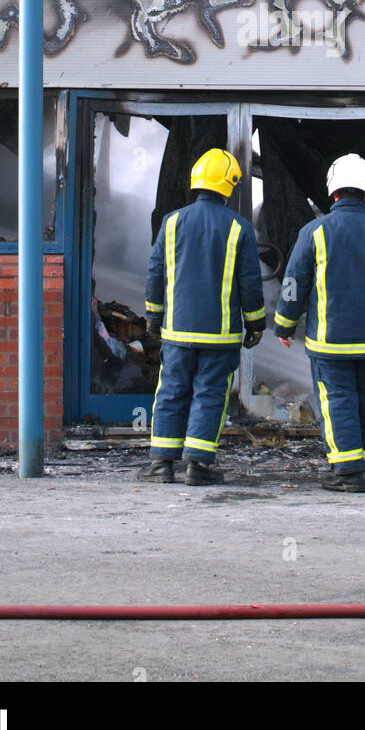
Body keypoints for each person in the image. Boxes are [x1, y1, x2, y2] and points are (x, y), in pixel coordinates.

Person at [275, 153, 365, 493]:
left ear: (333, 192)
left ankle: (348, 473)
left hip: (329, 343)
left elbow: (294, 282)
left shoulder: (313, 232)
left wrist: (284, 325)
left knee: (337, 402)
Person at [140, 148, 265, 486]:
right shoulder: (240, 229)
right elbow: (250, 282)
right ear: (230, 185)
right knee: (210, 394)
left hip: (177, 331)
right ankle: (198, 467)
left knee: (171, 391)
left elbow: (155, 272)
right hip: (220, 335)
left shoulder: (172, 222)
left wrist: (154, 316)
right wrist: (256, 323)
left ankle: (161, 466)